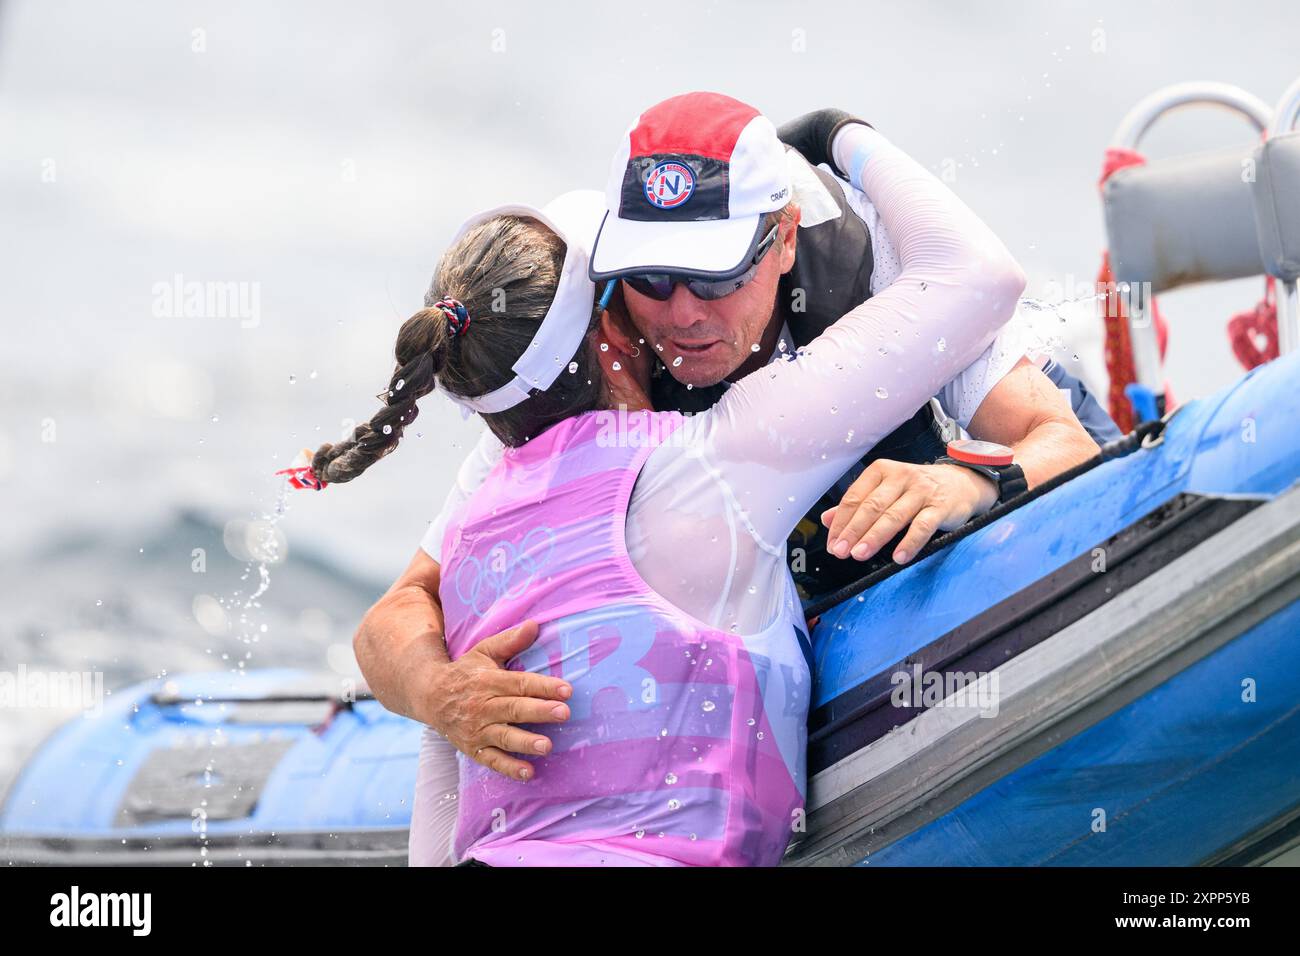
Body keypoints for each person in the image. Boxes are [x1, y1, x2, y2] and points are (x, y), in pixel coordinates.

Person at [352, 94, 1102, 815]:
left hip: (983, 488)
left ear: (782, 238)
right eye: (653, 276)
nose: (682, 316)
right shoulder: (588, 353)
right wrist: (437, 694)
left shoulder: (878, 273)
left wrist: (966, 481)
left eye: (715, 275)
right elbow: (401, 604)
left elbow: (1064, 444)